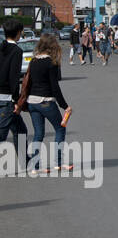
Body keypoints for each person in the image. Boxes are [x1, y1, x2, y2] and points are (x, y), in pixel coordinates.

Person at [26, 31, 72, 172]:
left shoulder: (33, 61)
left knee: (38, 134)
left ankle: (35, 166)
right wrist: (65, 106)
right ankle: (58, 163)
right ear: (52, 46)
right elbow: (54, 87)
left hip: (32, 102)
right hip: (46, 101)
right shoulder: (51, 63)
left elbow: (29, 83)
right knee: (60, 129)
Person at [0, 18, 26, 152]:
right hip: (6, 99)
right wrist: (16, 100)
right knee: (2, 134)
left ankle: (25, 162)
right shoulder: (16, 51)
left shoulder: (1, 47)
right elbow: (14, 78)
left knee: (20, 130)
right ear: (18, 33)